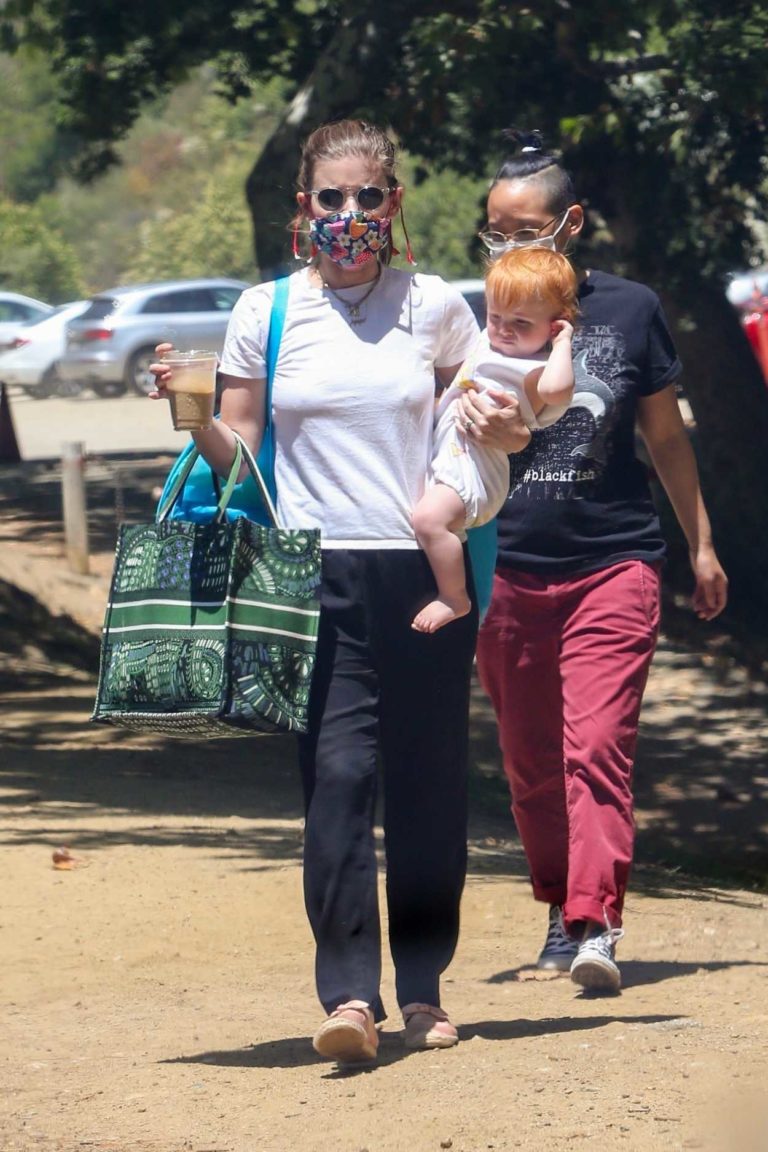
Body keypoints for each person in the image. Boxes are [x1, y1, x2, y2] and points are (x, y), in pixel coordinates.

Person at [149, 119, 529, 1062]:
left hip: (424, 574)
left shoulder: (437, 307)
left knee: (432, 788)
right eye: (331, 198)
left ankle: (427, 992)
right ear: (303, 208)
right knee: (339, 781)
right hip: (309, 574)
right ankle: (350, 993)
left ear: (393, 204)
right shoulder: (265, 311)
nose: (349, 214)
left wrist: (501, 413)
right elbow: (238, 452)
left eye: (367, 197)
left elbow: (497, 431)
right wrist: (192, 416)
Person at [463, 129, 728, 994]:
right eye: (495, 231)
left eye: (527, 228)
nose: (511, 245)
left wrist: (701, 543)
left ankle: (597, 923)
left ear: (570, 223)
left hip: (613, 562)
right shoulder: (470, 316)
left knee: (597, 747)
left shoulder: (631, 308)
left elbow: (664, 439)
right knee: (530, 757)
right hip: (504, 564)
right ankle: (558, 907)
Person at [412, 247, 577, 633]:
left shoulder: (535, 369)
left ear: (553, 325)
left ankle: (454, 596)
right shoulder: (489, 343)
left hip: (476, 473)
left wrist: (564, 343)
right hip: (454, 457)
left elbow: (557, 392)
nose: (503, 329)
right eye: (496, 315)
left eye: (521, 322)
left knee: (428, 520)